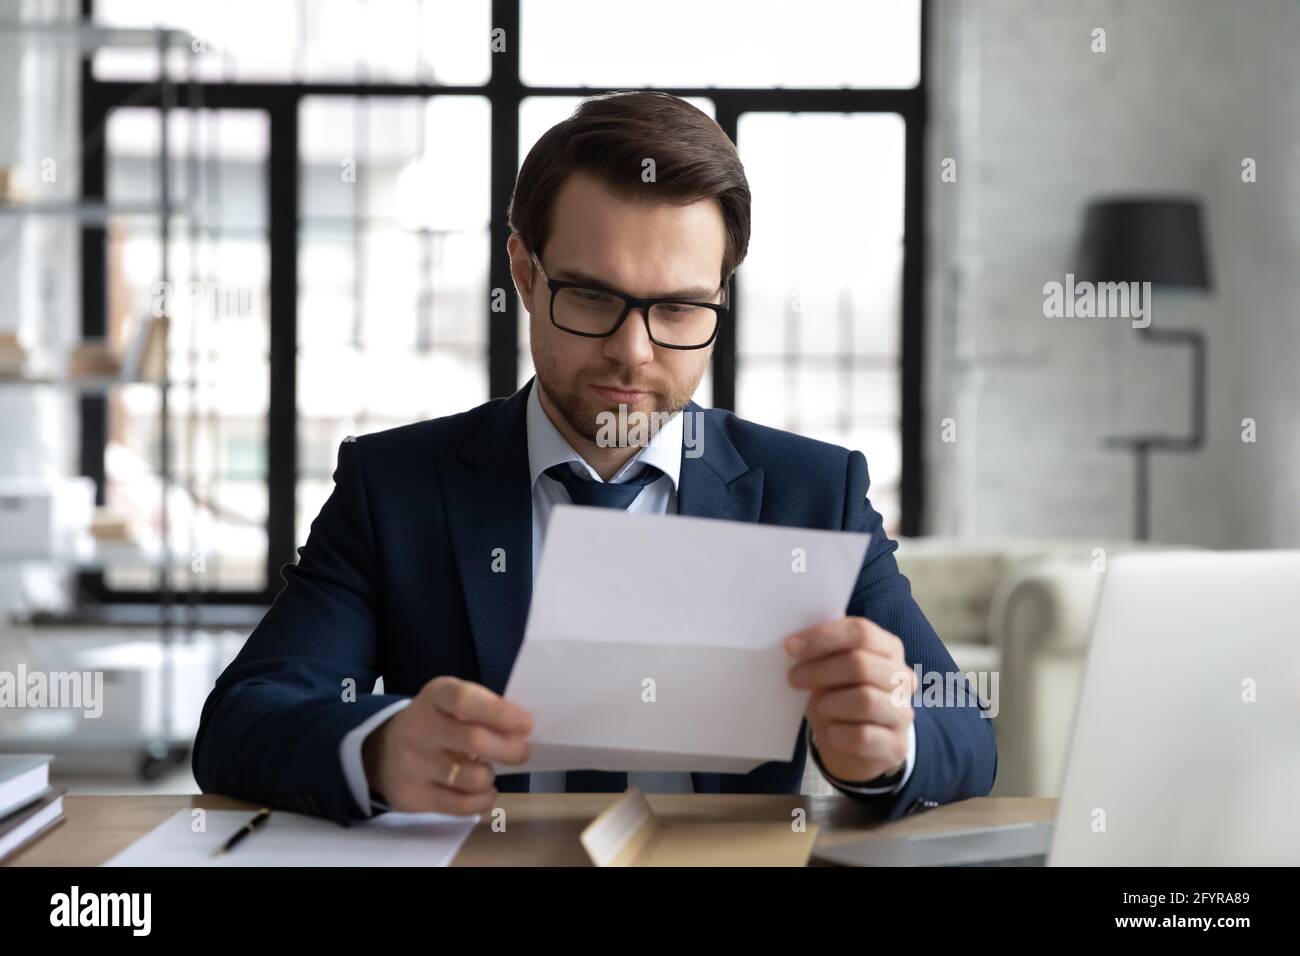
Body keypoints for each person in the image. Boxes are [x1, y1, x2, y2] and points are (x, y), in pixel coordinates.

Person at [193, 91, 996, 826]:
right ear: (523, 272)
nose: (632, 353)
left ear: (719, 298)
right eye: (592, 298)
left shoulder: (813, 490)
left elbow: (966, 732)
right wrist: (378, 747)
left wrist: (889, 748)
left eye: (679, 308)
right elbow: (243, 720)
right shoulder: (396, 487)